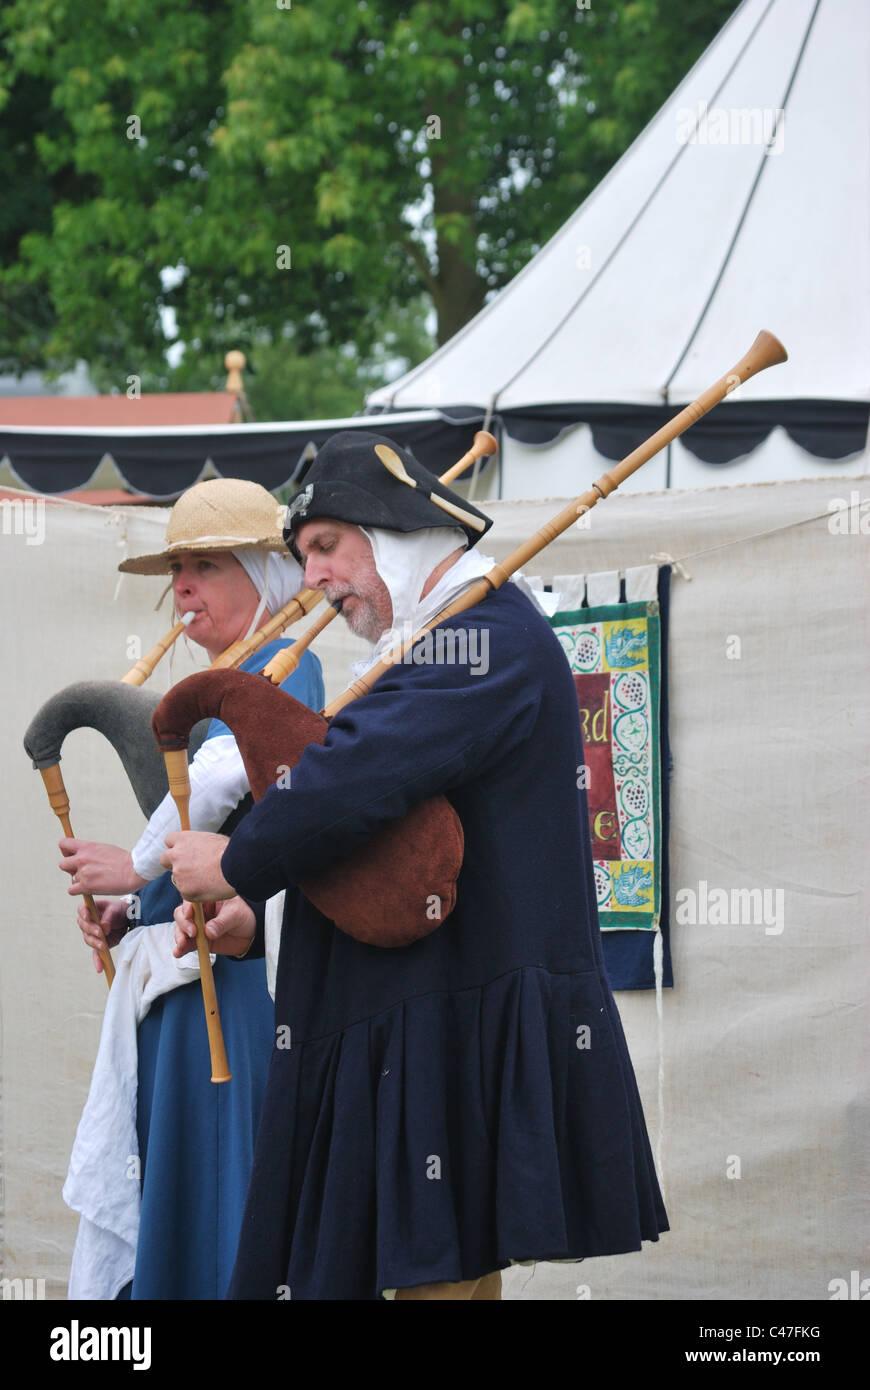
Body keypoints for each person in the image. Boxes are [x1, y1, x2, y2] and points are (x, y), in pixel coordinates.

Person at [165, 432, 668, 1301]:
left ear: (394, 532)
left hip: (451, 1025)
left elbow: (350, 778)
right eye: (302, 555)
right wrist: (263, 919)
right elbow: (387, 848)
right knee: (446, 1275)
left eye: (325, 546)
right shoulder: (443, 641)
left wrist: (238, 859)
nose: (314, 576)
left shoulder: (483, 639)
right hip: (427, 1017)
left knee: (441, 1277)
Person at [61, 477, 324, 1300]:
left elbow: (214, 790)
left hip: (237, 980)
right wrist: (129, 911)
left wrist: (133, 869)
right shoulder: (214, 688)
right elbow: (194, 831)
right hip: (184, 984)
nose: (181, 588)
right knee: (171, 1182)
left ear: (261, 576)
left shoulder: (294, 668)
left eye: (205, 565)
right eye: (178, 567)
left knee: (223, 1192)